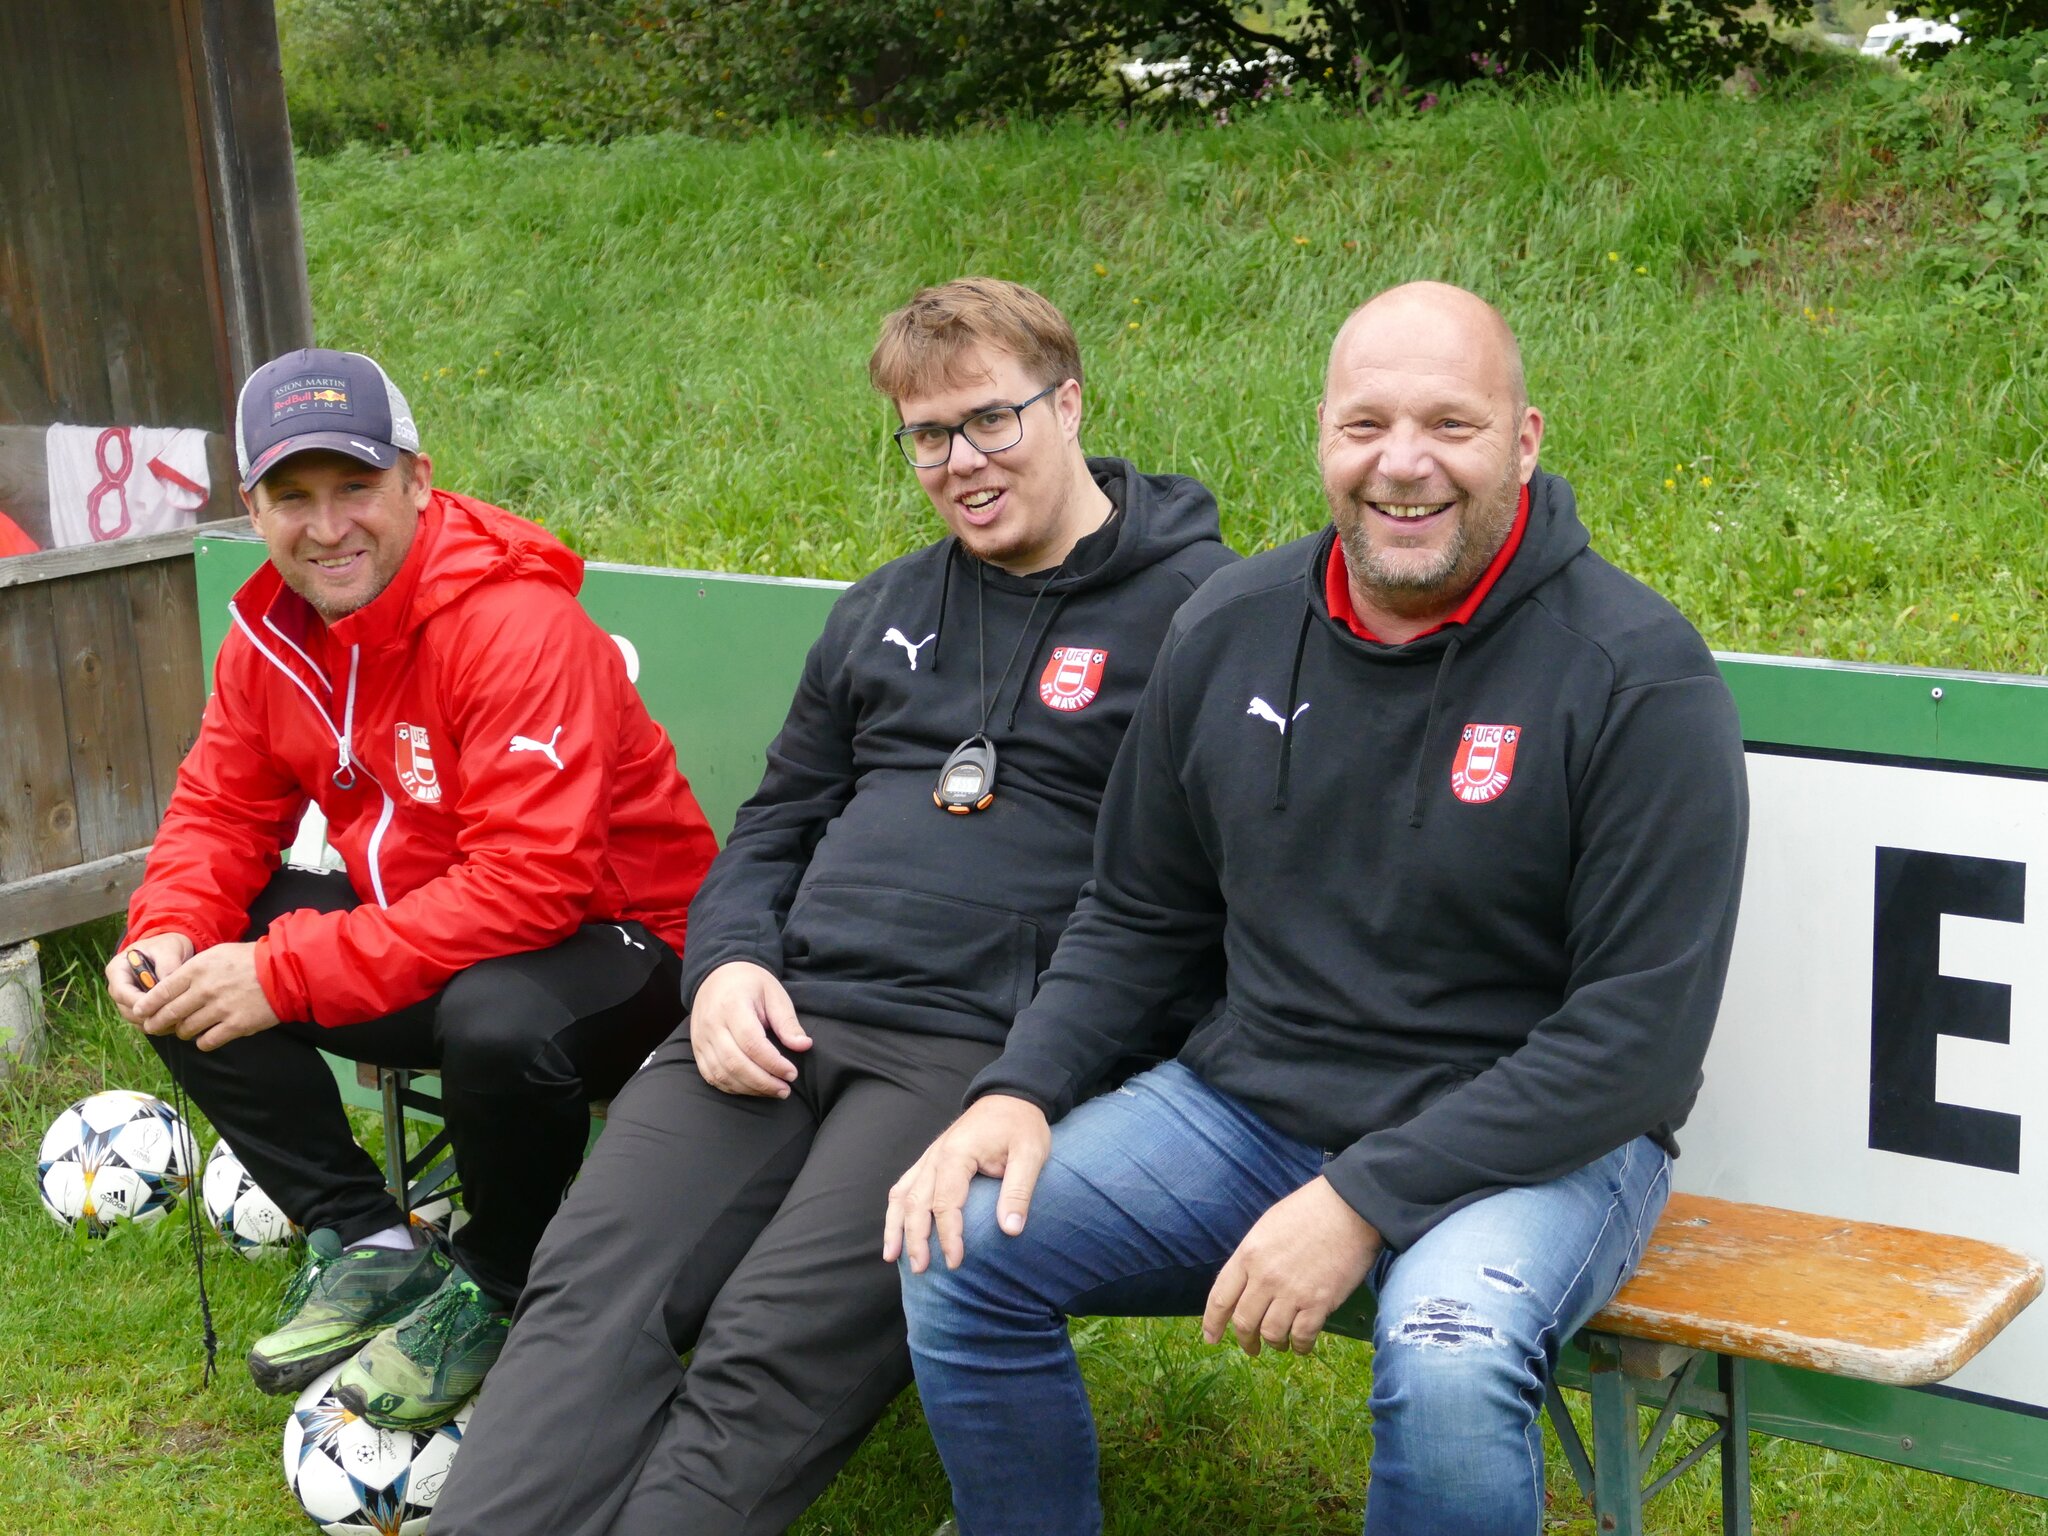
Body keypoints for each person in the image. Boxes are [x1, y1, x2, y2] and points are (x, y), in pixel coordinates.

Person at [886, 281, 1751, 1536]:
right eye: (1365, 426)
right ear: (1322, 438)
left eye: (1449, 425)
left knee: (1447, 1362)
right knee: (957, 1244)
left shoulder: (1635, 675)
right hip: (1250, 1107)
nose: (1401, 465)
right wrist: (1018, 1088)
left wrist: (1361, 1200)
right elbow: (1136, 913)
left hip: (1536, 1144)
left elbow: (1636, 1043)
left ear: (1522, 441)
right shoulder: (1227, 624)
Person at [430, 278, 1238, 1536]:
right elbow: (771, 825)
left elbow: (1184, 904)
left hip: (974, 1049)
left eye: (989, 420)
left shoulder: (1204, 616)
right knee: (587, 1287)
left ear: (1069, 404)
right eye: (926, 436)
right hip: (781, 1012)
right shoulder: (883, 609)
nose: (960, 463)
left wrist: (1037, 1072)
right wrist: (725, 968)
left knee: (775, 1340)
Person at [106, 346, 719, 1430]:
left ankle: (502, 1284)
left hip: (628, 951)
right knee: (181, 971)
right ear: (253, 508)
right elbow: (218, 814)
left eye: (356, 486)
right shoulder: (271, 637)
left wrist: (285, 973)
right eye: (292, 497)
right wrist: (167, 929)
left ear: (418, 481)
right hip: (438, 934)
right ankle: (369, 1239)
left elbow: (532, 887)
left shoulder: (515, 621)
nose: (327, 525)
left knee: (496, 1021)